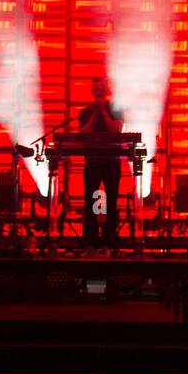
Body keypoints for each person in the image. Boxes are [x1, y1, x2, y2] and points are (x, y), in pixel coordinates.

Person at [79, 76, 124, 251]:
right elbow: (83, 133)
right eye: (96, 90)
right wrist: (95, 114)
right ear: (92, 91)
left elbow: (116, 130)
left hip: (111, 161)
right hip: (92, 161)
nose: (98, 94)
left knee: (111, 200)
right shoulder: (85, 112)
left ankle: (110, 238)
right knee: (91, 199)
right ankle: (90, 238)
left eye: (101, 90)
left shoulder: (116, 110)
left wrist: (103, 112)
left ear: (107, 91)